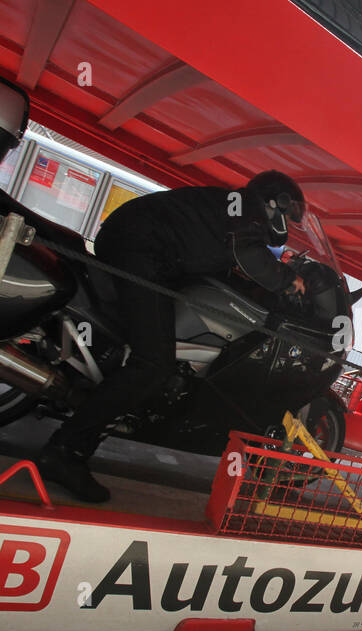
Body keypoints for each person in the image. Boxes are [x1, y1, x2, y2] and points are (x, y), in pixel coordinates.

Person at [36, 170, 308, 502]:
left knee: (155, 335)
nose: (287, 226)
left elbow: (220, 260)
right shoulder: (245, 211)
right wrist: (286, 280)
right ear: (274, 203)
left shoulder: (228, 207)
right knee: (153, 360)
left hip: (140, 246)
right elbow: (249, 253)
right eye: (288, 215)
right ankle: (65, 451)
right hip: (141, 249)